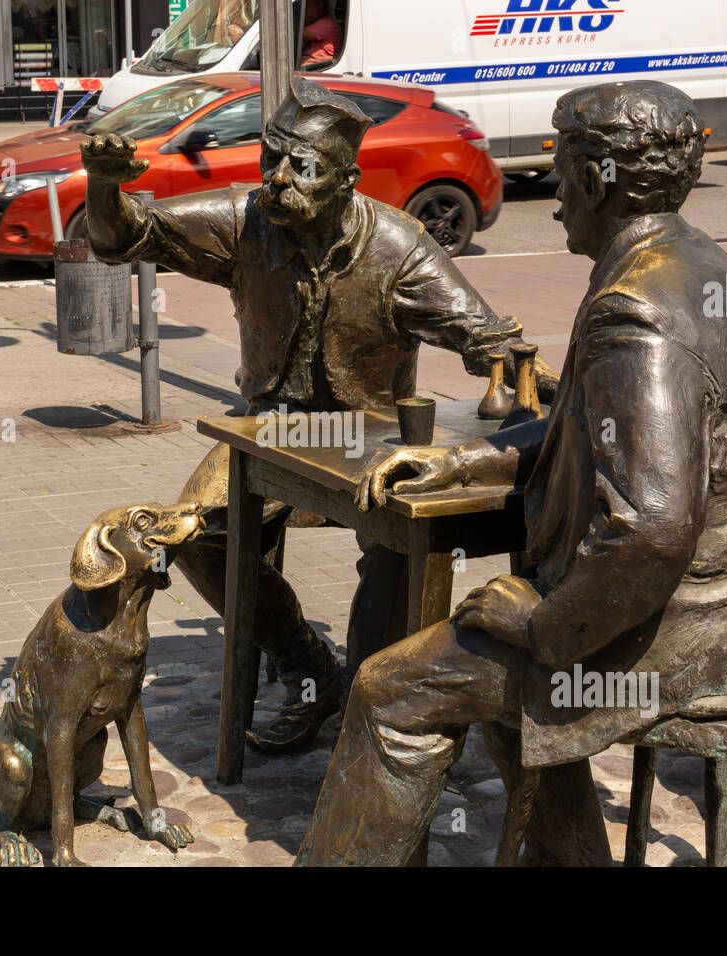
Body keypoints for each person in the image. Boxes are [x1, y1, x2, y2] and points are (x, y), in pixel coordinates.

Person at [295, 81, 727, 865]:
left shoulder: (638, 311)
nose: (555, 194)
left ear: (599, 178)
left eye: (561, 169)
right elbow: (588, 423)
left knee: (388, 690)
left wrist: (542, 627)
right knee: (490, 666)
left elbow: (655, 530)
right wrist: (459, 458)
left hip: (675, 632)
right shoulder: (696, 262)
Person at [80, 78, 551, 753]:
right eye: (273, 158)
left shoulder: (400, 246)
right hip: (271, 431)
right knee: (196, 534)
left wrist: (524, 369)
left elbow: (482, 336)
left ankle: (379, 699)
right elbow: (127, 236)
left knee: (400, 549)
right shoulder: (248, 222)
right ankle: (309, 666)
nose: (278, 179)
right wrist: (103, 185)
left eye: (301, 166)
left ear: (346, 180)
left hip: (377, 440)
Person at [301, 0, 342, 67]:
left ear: (320, 6)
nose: (303, 11)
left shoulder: (327, 23)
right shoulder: (312, 24)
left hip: (318, 69)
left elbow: (296, 33)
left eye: (306, 7)